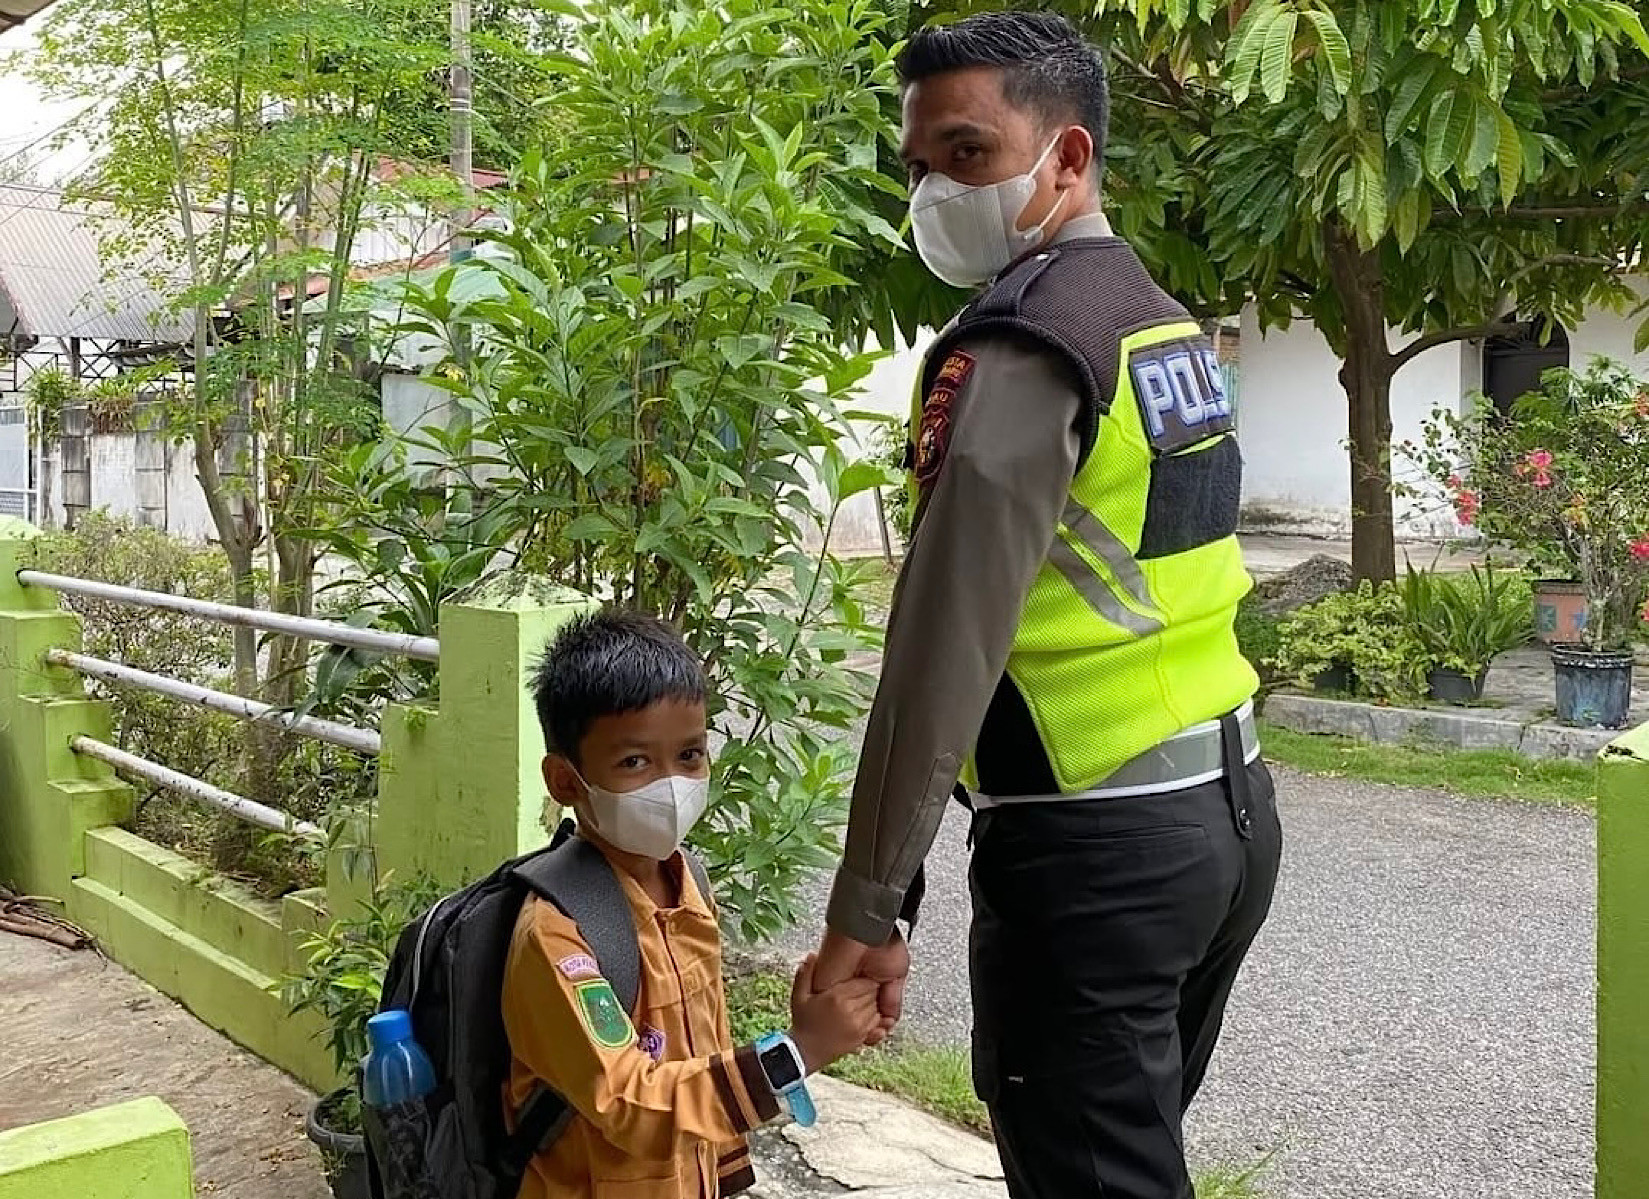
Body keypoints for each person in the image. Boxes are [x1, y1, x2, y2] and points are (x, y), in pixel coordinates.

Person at [811, 12, 1284, 1198]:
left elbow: (938, 652)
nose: (932, 191)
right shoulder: (1153, 323)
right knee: (1123, 1159)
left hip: (1095, 854)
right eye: (918, 166)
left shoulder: (1022, 349)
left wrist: (867, 907)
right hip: (1223, 816)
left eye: (967, 156)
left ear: (1065, 159)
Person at [504, 610, 880, 1199]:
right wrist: (798, 1052)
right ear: (566, 781)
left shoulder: (689, 885)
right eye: (634, 762)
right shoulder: (556, 938)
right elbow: (631, 1102)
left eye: (689, 756)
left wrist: (724, 1182)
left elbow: (705, 1045)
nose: (671, 785)